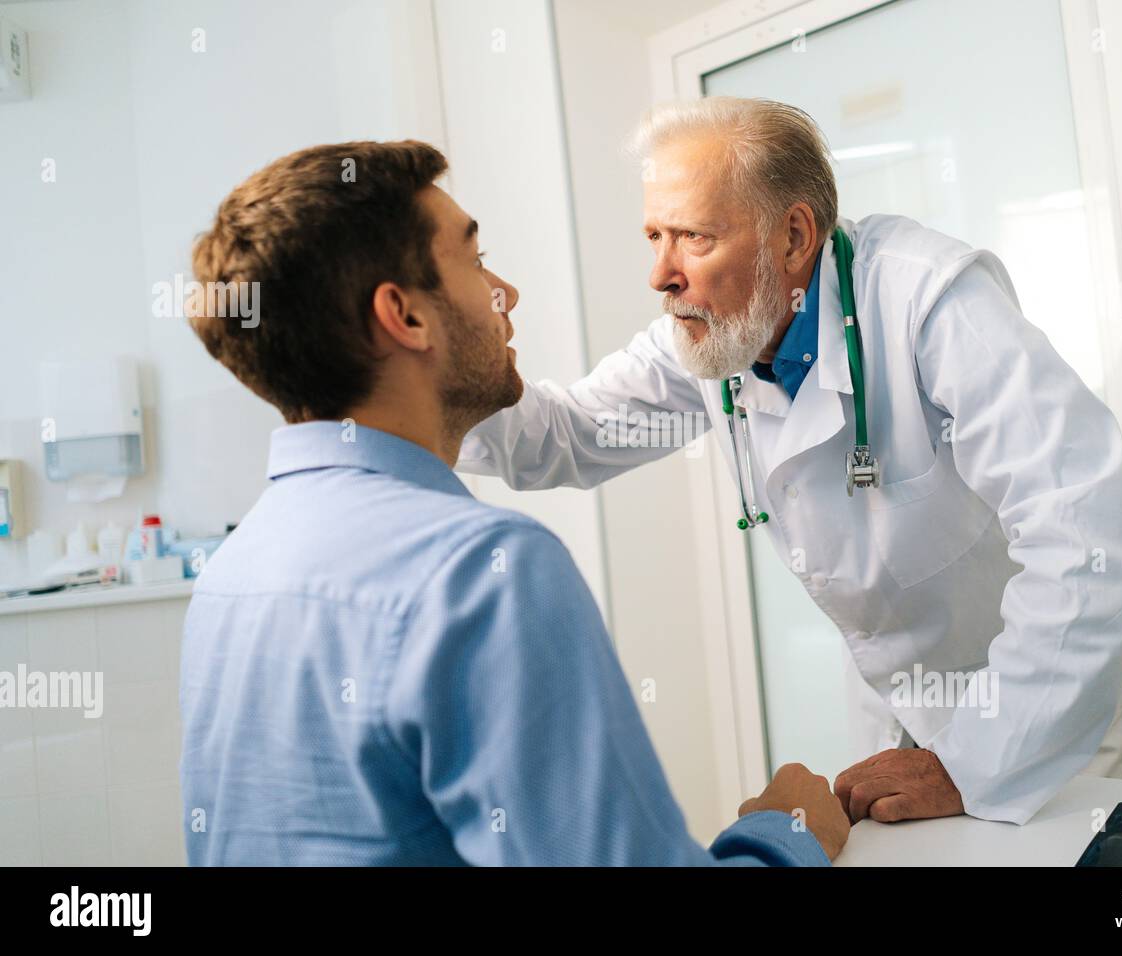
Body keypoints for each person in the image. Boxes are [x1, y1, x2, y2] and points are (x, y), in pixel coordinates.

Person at [459, 97, 1122, 826]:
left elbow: (1096, 544)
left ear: (794, 235)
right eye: (653, 236)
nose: (661, 275)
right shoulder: (711, 338)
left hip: (1040, 709)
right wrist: (440, 368)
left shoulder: (929, 301)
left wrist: (974, 761)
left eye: (693, 238)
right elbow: (565, 437)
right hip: (895, 714)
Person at [179, 139, 848, 866]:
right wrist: (787, 835)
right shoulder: (481, 574)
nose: (508, 293)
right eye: (474, 259)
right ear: (404, 317)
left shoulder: (230, 575)